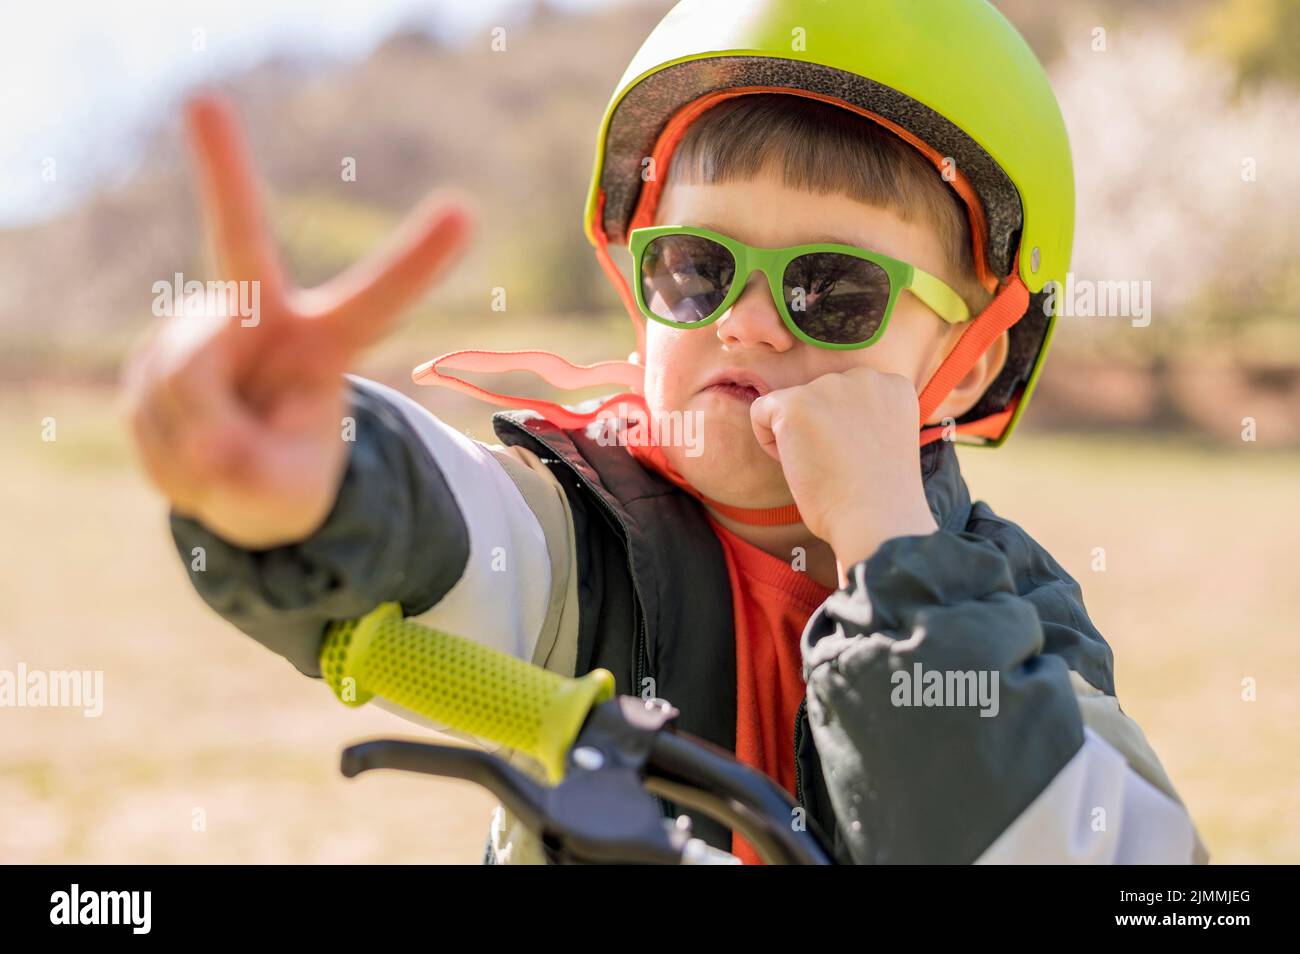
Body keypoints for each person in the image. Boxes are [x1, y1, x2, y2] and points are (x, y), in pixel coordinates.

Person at [124, 0, 1208, 864]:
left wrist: (890, 547)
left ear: (964, 355)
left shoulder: (1014, 620)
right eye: (696, 270)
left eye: (833, 291)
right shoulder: (587, 537)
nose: (741, 320)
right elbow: (452, 533)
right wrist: (316, 480)